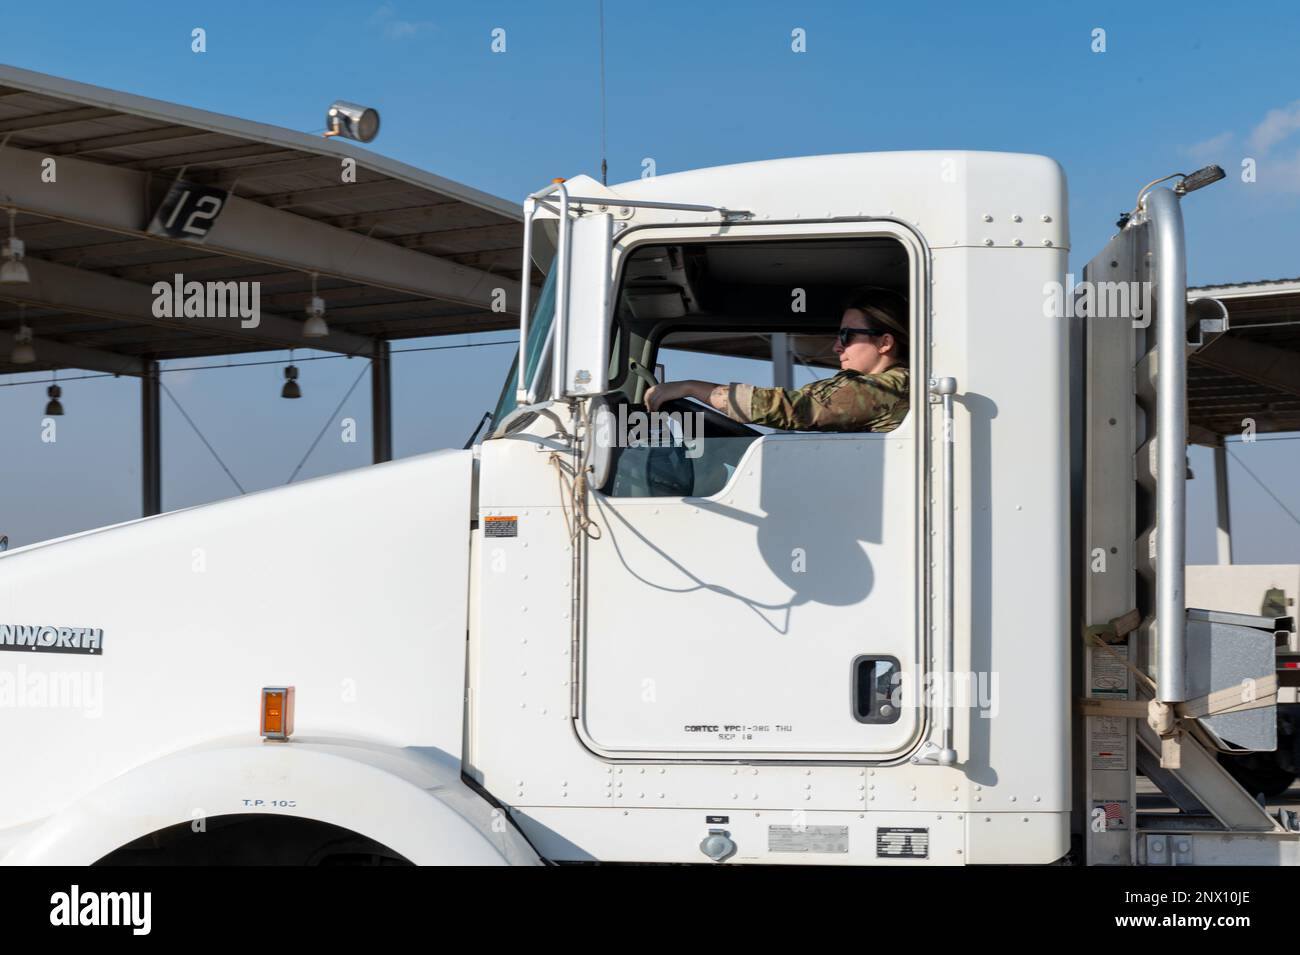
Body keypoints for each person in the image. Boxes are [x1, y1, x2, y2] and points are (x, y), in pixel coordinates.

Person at [644, 290, 910, 432]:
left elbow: (793, 408)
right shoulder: (872, 385)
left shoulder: (885, 389)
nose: (836, 345)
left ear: (885, 343)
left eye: (847, 335)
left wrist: (691, 388)